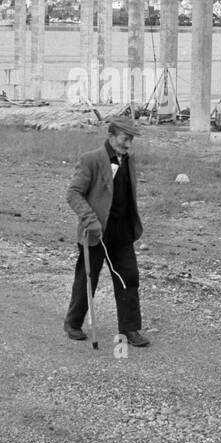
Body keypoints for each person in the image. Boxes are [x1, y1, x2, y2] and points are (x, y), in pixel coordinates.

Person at [64, 115, 150, 347]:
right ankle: (73, 323)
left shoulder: (128, 160)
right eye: (125, 138)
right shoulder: (90, 159)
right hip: (96, 233)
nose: (128, 144)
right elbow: (73, 193)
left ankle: (130, 328)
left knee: (129, 278)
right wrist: (90, 219)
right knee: (86, 280)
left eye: (131, 139)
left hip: (122, 233)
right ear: (111, 136)